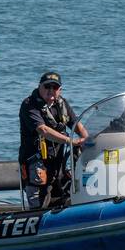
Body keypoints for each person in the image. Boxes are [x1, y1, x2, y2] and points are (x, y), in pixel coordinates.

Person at [18, 71, 87, 209]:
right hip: (36, 166)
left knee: (61, 198)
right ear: (39, 87)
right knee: (39, 204)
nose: (50, 90)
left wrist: (86, 139)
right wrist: (70, 141)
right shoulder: (29, 105)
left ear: (59, 90)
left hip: (58, 164)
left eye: (54, 87)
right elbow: (43, 130)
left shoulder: (62, 103)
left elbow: (76, 124)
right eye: (47, 86)